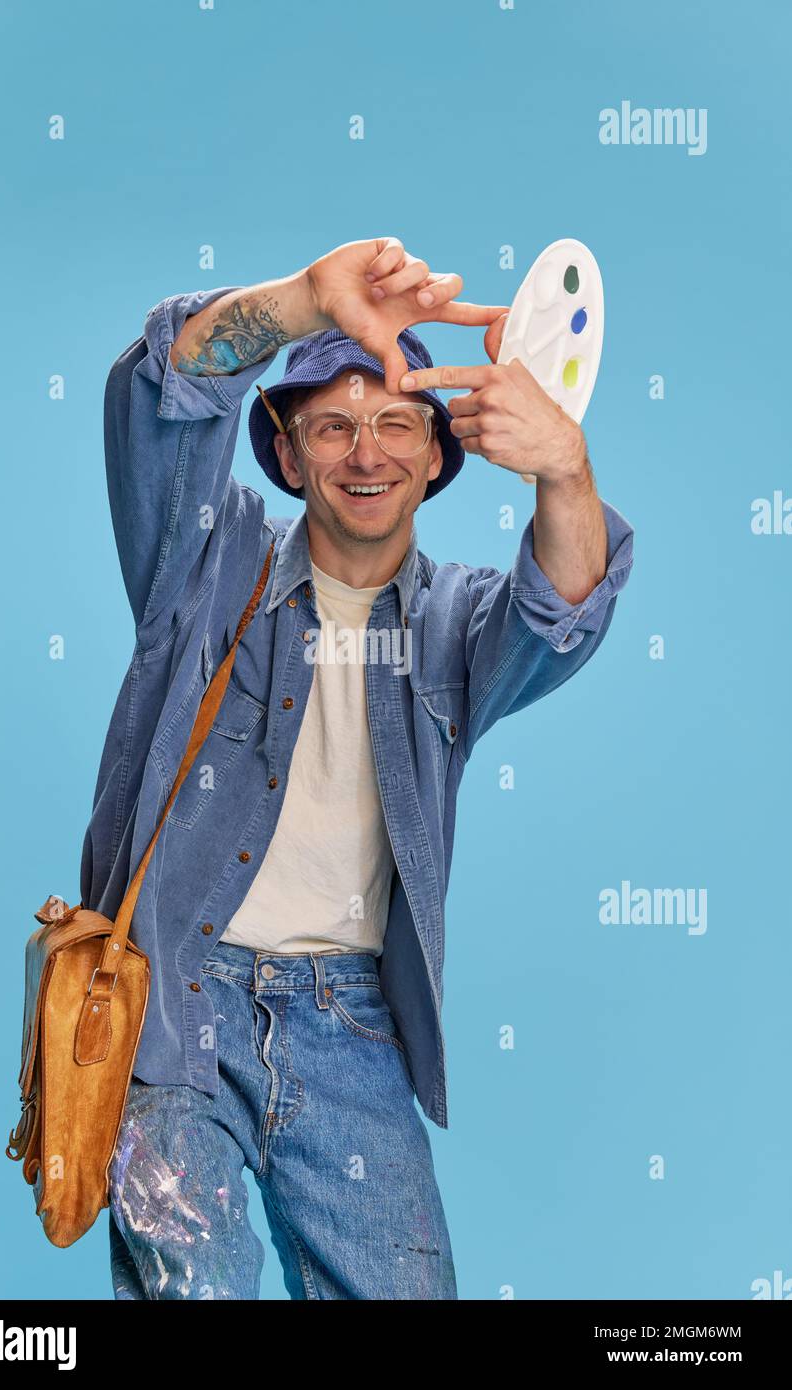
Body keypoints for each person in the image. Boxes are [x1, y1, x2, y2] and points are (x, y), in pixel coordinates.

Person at [85, 236, 634, 1300]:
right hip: (174, 1005)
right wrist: (300, 302)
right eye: (332, 425)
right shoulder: (202, 567)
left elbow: (562, 610)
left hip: (351, 1024)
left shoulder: (458, 623)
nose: (366, 452)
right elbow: (164, 392)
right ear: (288, 456)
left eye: (395, 424)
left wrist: (565, 467)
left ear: (438, 454)